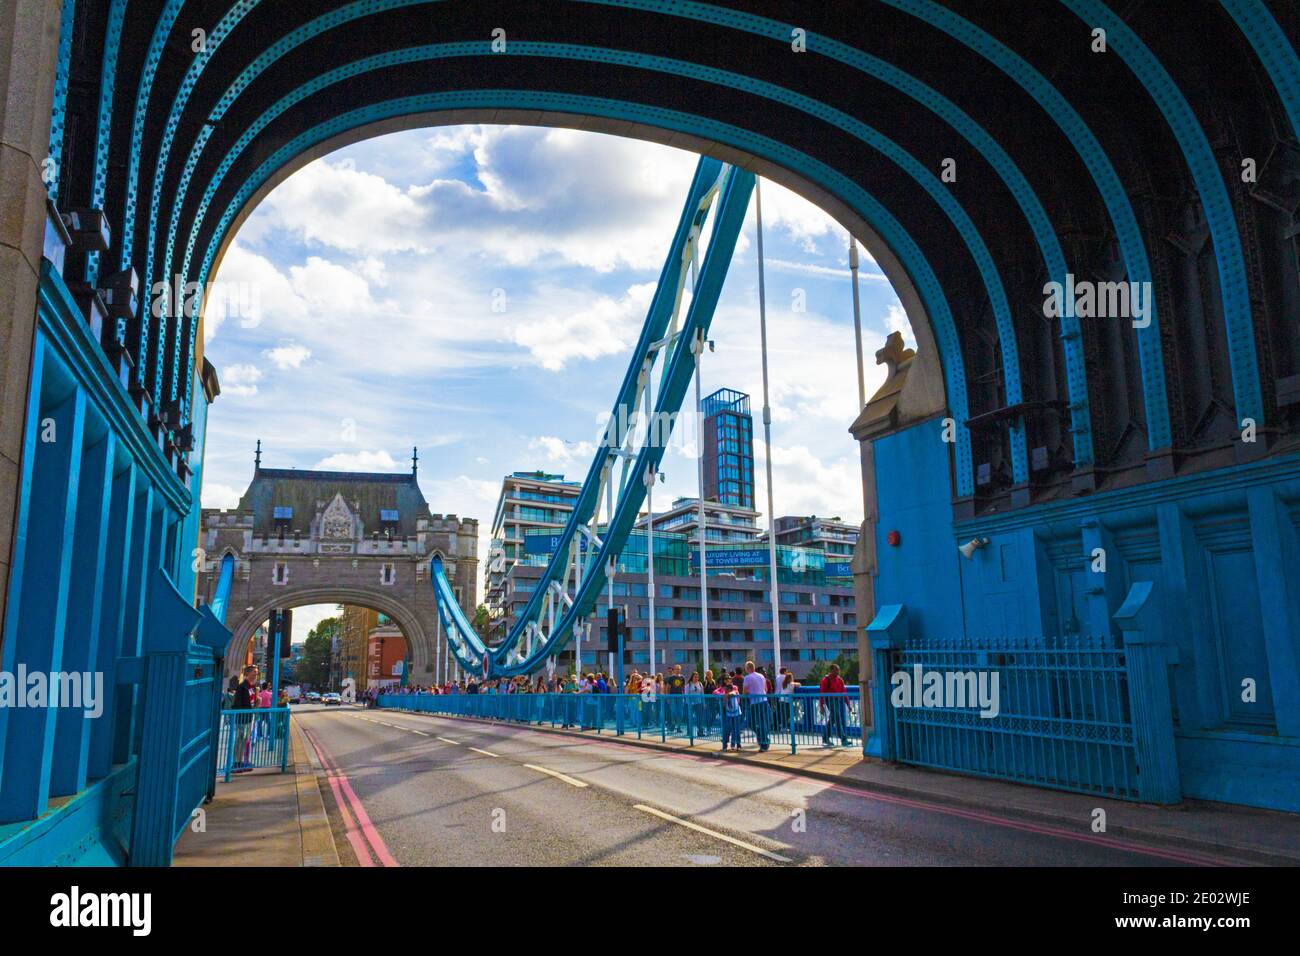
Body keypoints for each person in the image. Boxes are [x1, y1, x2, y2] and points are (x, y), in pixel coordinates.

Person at [741, 660, 771, 752]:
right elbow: (765, 689)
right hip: (764, 701)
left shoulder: (747, 678)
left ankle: (763, 741)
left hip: (755, 702)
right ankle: (764, 740)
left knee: (752, 723)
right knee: (763, 722)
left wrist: (750, 693)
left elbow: (745, 691)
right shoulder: (761, 676)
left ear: (747, 668)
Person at [819, 663, 849, 747]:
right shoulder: (826, 680)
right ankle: (843, 738)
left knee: (833, 719)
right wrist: (821, 706)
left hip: (837, 700)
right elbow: (821, 693)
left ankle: (825, 738)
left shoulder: (840, 680)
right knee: (837, 717)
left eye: (838, 670)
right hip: (829, 700)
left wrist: (848, 704)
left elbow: (844, 692)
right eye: (836, 670)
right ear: (831, 670)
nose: (838, 672)